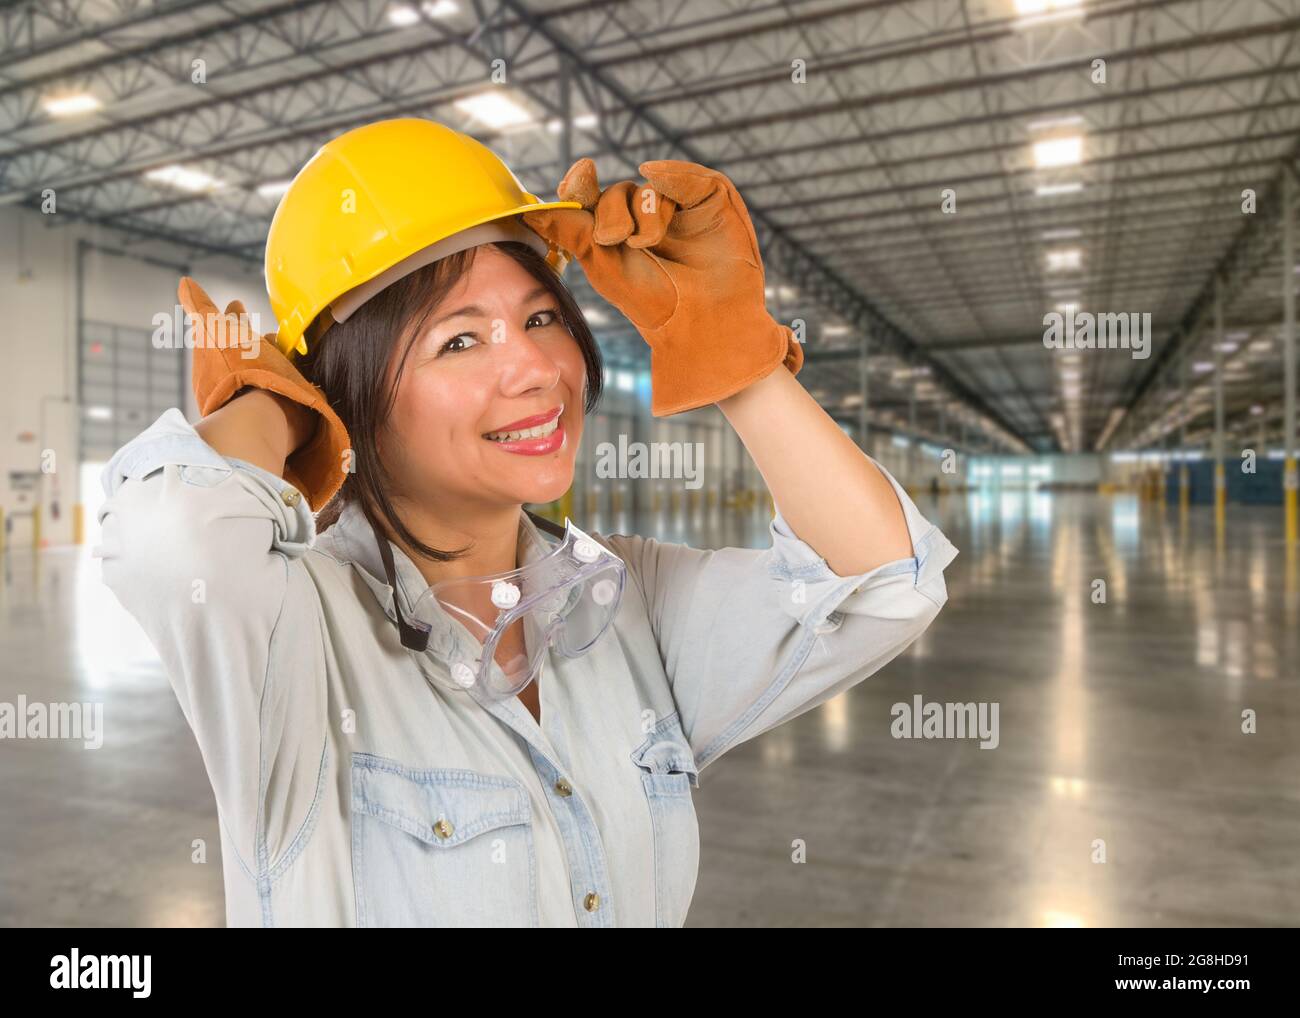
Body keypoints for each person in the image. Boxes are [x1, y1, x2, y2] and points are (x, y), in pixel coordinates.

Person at [97, 118, 958, 927]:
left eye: (541, 318)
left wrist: (731, 349)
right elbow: (171, 542)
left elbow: (884, 580)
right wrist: (274, 407)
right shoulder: (295, 636)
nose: (538, 369)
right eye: (460, 342)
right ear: (349, 393)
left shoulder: (628, 606)